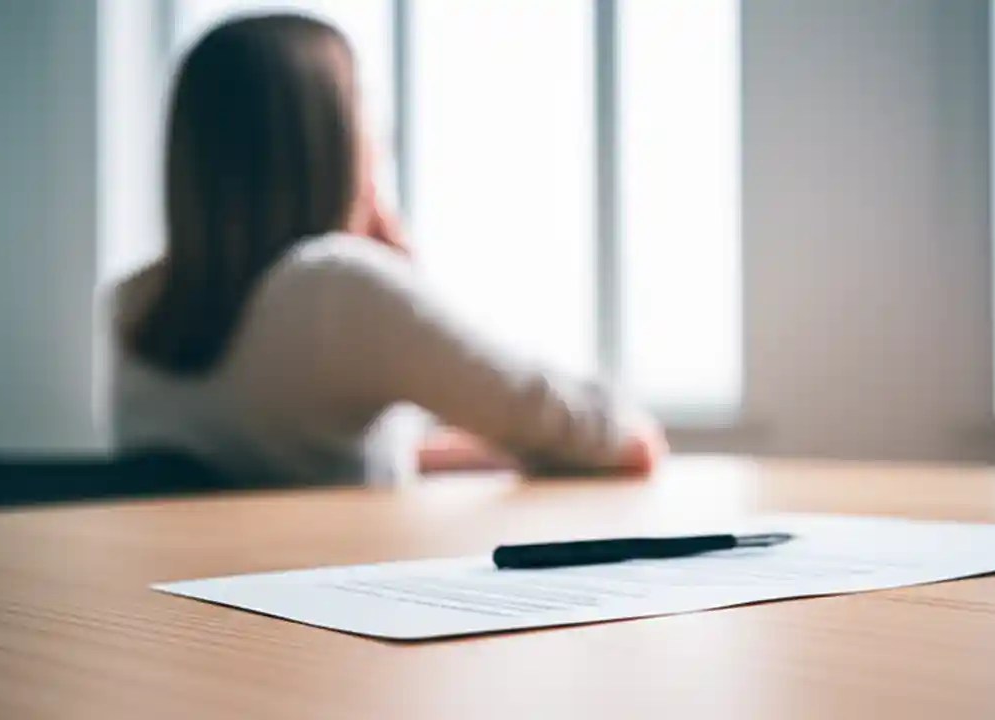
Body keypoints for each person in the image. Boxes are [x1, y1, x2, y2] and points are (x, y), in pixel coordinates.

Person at [109, 13, 666, 486]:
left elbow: (284, 451)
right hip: (320, 603)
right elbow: (621, 441)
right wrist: (399, 269)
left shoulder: (129, 303)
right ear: (336, 145)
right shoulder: (336, 285)